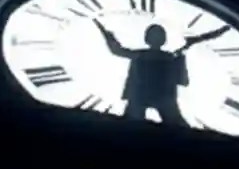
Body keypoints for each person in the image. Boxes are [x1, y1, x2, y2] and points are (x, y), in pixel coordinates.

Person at [93, 19, 229, 126]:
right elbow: (183, 81)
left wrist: (104, 31)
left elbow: (116, 50)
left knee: (129, 126)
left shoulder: (141, 55)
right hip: (164, 98)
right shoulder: (171, 57)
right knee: (177, 126)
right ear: (164, 40)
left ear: (146, 38)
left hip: (140, 96)